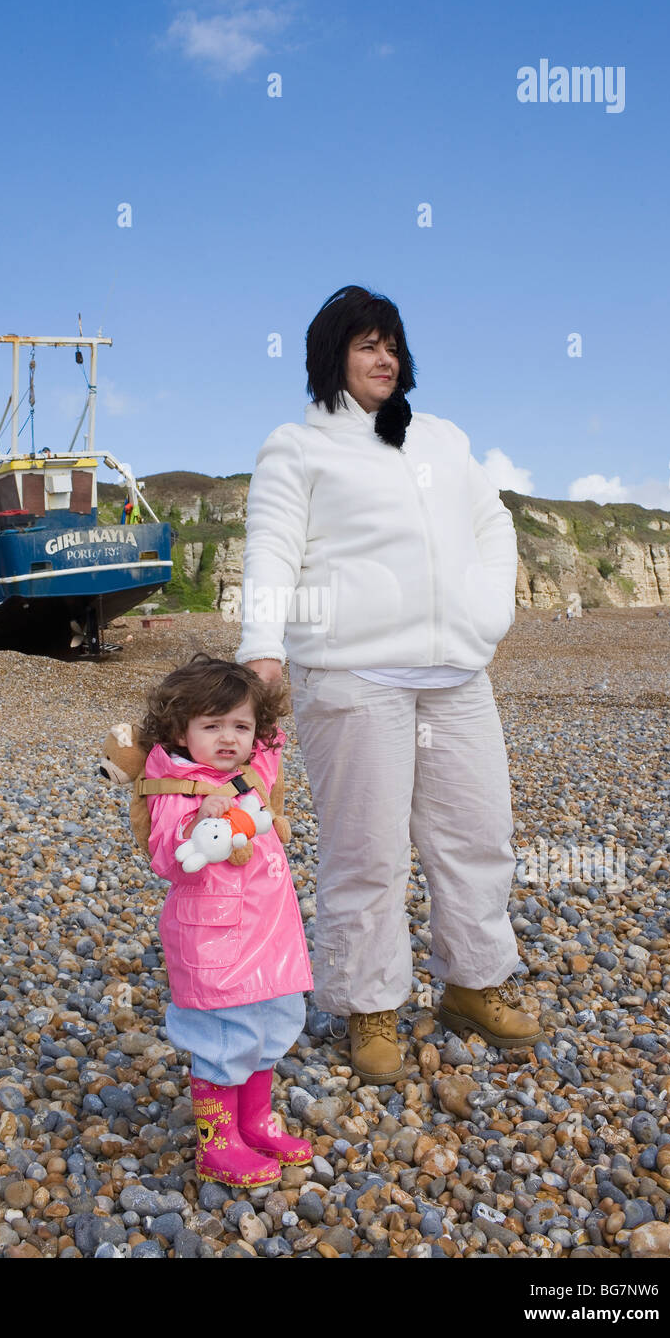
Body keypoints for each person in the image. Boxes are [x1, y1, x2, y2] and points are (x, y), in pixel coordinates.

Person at [235, 284, 542, 1084]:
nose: (385, 358)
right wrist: (262, 648)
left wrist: (486, 613)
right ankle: (370, 1003)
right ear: (330, 355)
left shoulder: (440, 439)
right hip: (352, 673)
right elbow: (271, 546)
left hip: (455, 675)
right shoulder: (297, 448)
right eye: (367, 344)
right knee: (366, 849)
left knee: (477, 833)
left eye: (393, 345)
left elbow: (493, 524)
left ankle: (472, 983)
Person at [139, 652, 313, 1187]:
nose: (228, 738)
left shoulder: (250, 772)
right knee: (223, 1032)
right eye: (210, 726)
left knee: (274, 1020)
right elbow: (166, 857)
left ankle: (255, 1119)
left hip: (270, 932)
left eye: (240, 726)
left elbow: (272, 740)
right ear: (179, 730)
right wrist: (199, 829)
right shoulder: (176, 785)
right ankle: (218, 1143)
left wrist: (265, 689)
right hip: (213, 939)